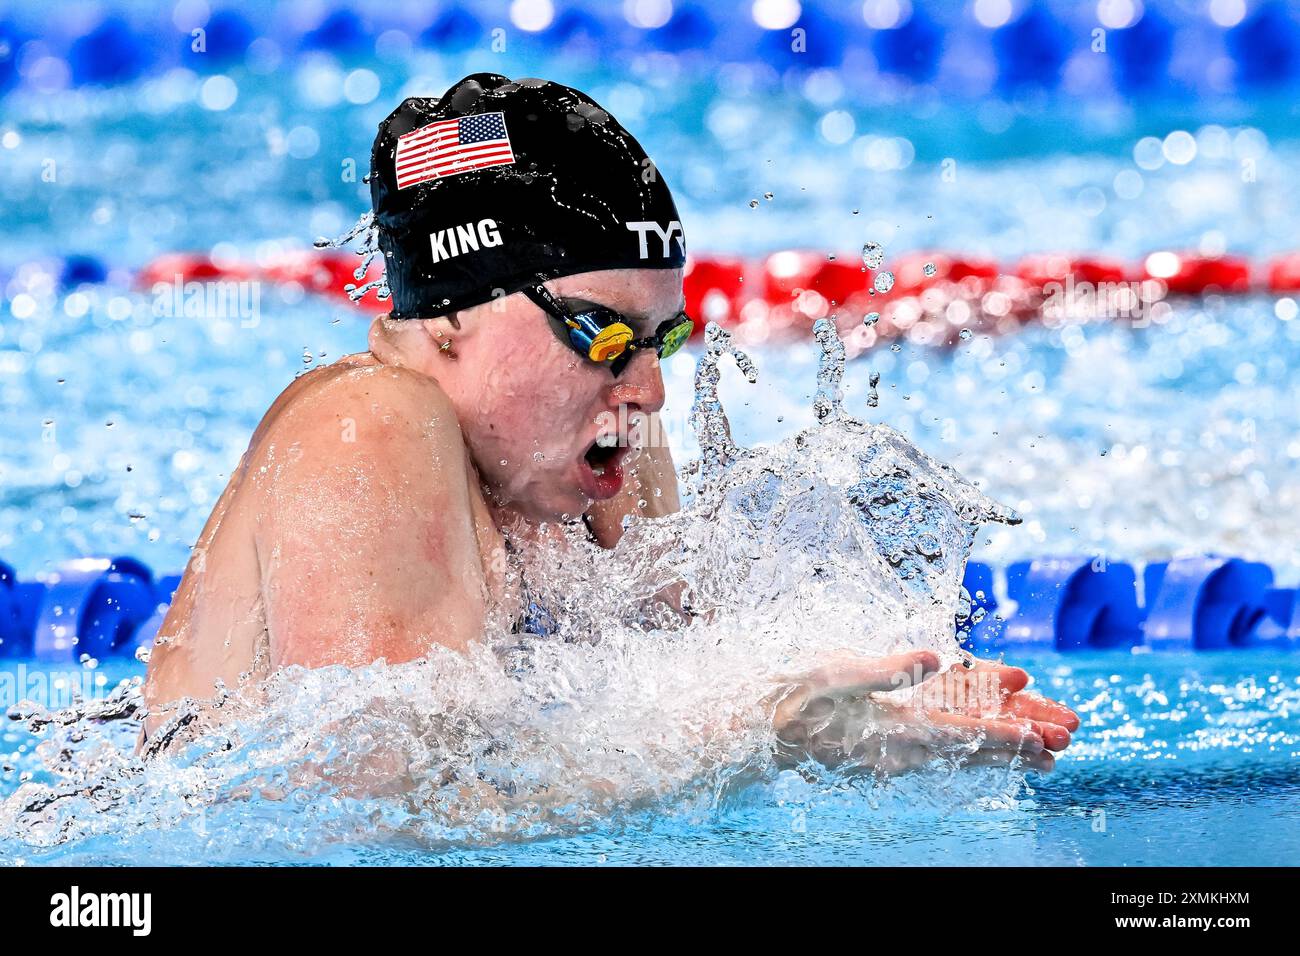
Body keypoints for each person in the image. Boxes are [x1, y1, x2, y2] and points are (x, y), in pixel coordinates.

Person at [142, 73, 1077, 770]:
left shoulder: (597, 448)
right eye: (601, 334)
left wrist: (874, 710)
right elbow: (381, 809)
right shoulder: (369, 424)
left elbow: (692, 681)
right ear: (456, 313)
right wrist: (764, 730)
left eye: (659, 341)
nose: (649, 390)